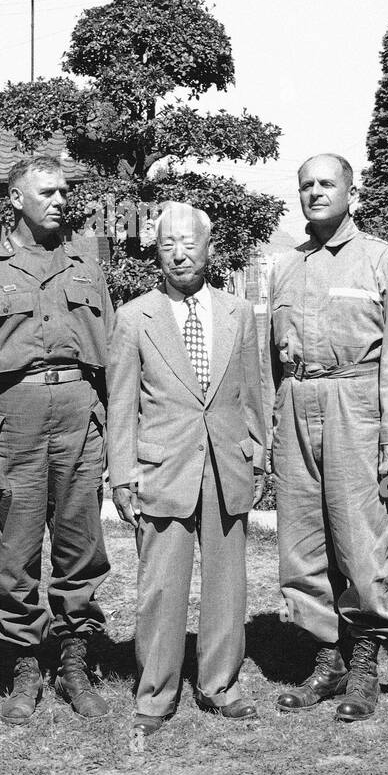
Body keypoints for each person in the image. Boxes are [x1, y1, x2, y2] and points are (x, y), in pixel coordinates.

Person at [0, 155, 114, 725]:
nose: (60, 200)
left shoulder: (86, 264)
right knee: (16, 551)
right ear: (15, 199)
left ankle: (73, 663)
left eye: (65, 191)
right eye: (47, 191)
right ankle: (24, 664)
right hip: (12, 420)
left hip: (79, 416)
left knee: (81, 546)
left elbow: (113, 358)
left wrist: (117, 439)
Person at [268, 153, 388, 721]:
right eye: (306, 184)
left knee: (360, 537)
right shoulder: (285, 266)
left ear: (351, 192)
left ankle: (364, 661)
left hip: (358, 407)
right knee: (302, 540)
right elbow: (270, 359)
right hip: (295, 405)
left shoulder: (382, 261)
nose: (315, 192)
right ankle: (326, 658)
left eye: (327, 183)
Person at [107, 202, 267, 737]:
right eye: (167, 244)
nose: (179, 253)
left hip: (227, 464)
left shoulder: (237, 313)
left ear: (209, 248)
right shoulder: (133, 317)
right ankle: (156, 694)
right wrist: (122, 473)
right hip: (162, 468)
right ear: (156, 251)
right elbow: (122, 402)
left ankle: (220, 684)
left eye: (189, 243)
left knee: (228, 585)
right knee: (161, 587)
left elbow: (252, 390)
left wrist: (259, 451)